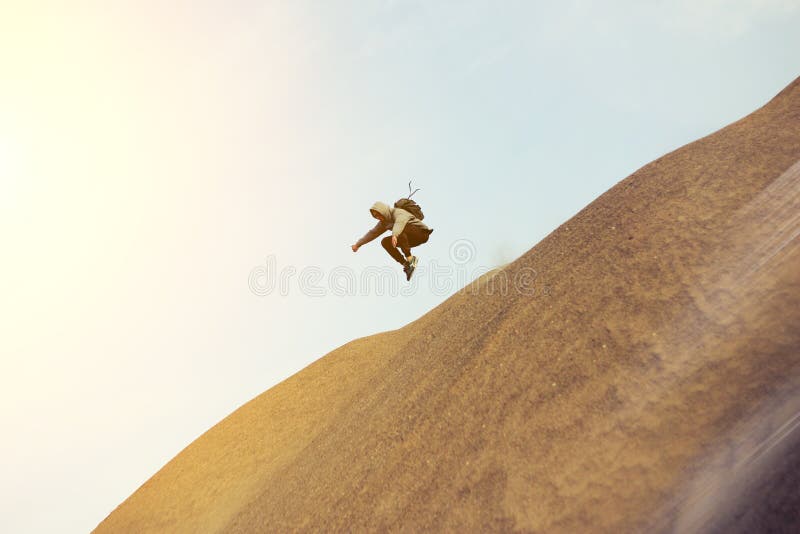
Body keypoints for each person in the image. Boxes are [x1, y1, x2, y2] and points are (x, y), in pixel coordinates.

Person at [351, 201, 434, 281]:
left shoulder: (398, 212)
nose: (378, 217)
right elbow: (372, 233)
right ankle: (406, 264)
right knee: (385, 242)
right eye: (375, 216)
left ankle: (411, 259)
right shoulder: (383, 223)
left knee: (400, 231)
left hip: (421, 234)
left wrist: (395, 234)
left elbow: (400, 222)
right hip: (408, 238)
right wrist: (358, 244)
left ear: (383, 211)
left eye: (378, 214)